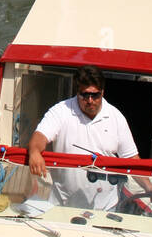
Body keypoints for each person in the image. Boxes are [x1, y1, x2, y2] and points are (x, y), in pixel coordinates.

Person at [27, 66, 138, 211]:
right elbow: (40, 136)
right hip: (62, 205)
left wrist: (150, 187)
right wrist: (34, 152)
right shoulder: (60, 111)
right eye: (85, 95)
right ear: (77, 93)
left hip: (106, 208)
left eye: (95, 95)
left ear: (102, 92)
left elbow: (132, 160)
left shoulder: (116, 117)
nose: (90, 100)